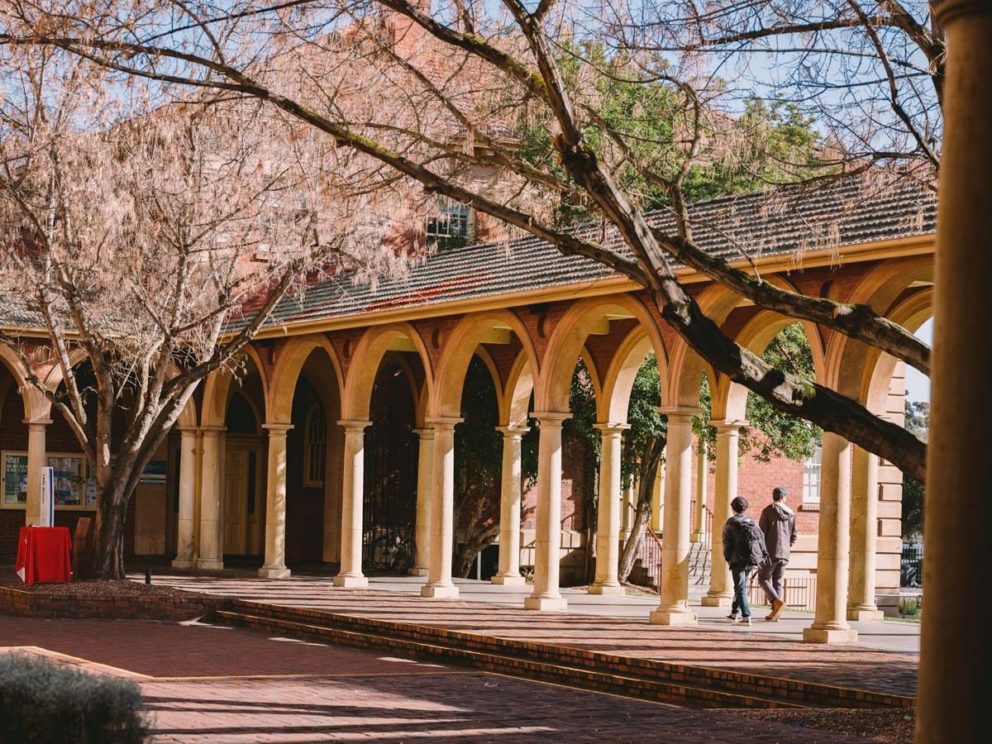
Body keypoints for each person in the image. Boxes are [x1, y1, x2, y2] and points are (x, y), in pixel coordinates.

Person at [722, 495, 767, 626]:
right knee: (740, 585)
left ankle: (746, 616)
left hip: (737, 560)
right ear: (745, 508)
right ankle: (734, 613)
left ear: (732, 508)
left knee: (740, 587)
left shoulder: (730, 523)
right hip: (751, 558)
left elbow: (726, 542)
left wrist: (728, 557)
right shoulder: (752, 522)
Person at [757, 486, 798, 622]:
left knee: (762, 578)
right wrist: (787, 546)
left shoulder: (768, 511)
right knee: (777, 582)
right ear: (784, 497)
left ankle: (776, 602)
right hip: (785, 553)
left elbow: (761, 533)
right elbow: (794, 535)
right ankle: (776, 614)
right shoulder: (791, 513)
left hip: (770, 551)